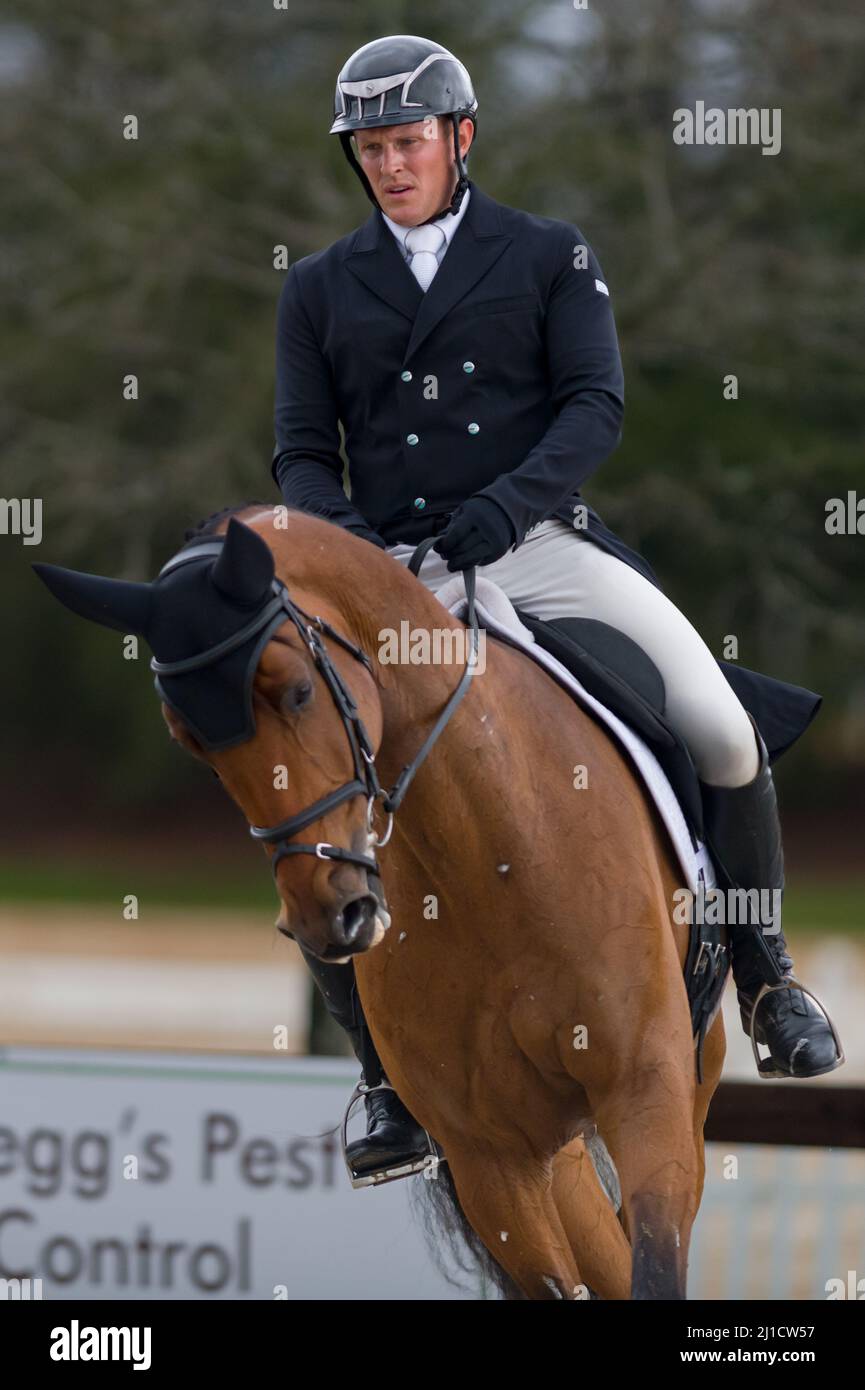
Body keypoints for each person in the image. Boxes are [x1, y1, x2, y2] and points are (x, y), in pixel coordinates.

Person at [272, 35, 842, 1183]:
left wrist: (506, 502)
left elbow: (595, 403)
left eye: (409, 142)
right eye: (373, 149)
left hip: (538, 547)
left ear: (459, 138)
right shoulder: (321, 286)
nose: (391, 164)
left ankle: (767, 975)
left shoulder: (545, 253)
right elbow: (300, 452)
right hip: (396, 578)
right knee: (313, 796)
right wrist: (352, 550)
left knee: (720, 726)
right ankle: (382, 1079)